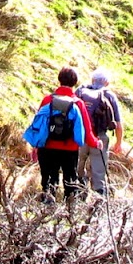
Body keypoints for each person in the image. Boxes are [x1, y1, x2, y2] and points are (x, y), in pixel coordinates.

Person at [26, 66, 98, 203]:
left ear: (59, 79)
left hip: (47, 147)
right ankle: (70, 212)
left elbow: (39, 125)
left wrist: (35, 146)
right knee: (70, 181)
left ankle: (46, 210)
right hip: (69, 149)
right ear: (75, 82)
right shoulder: (78, 103)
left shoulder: (47, 100)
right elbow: (87, 131)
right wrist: (96, 143)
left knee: (48, 180)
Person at [74, 68, 125, 197]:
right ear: (106, 82)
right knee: (99, 172)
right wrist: (119, 142)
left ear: (92, 79)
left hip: (79, 137)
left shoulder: (80, 91)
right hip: (100, 138)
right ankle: (99, 201)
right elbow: (118, 124)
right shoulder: (109, 95)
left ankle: (77, 195)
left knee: (76, 169)